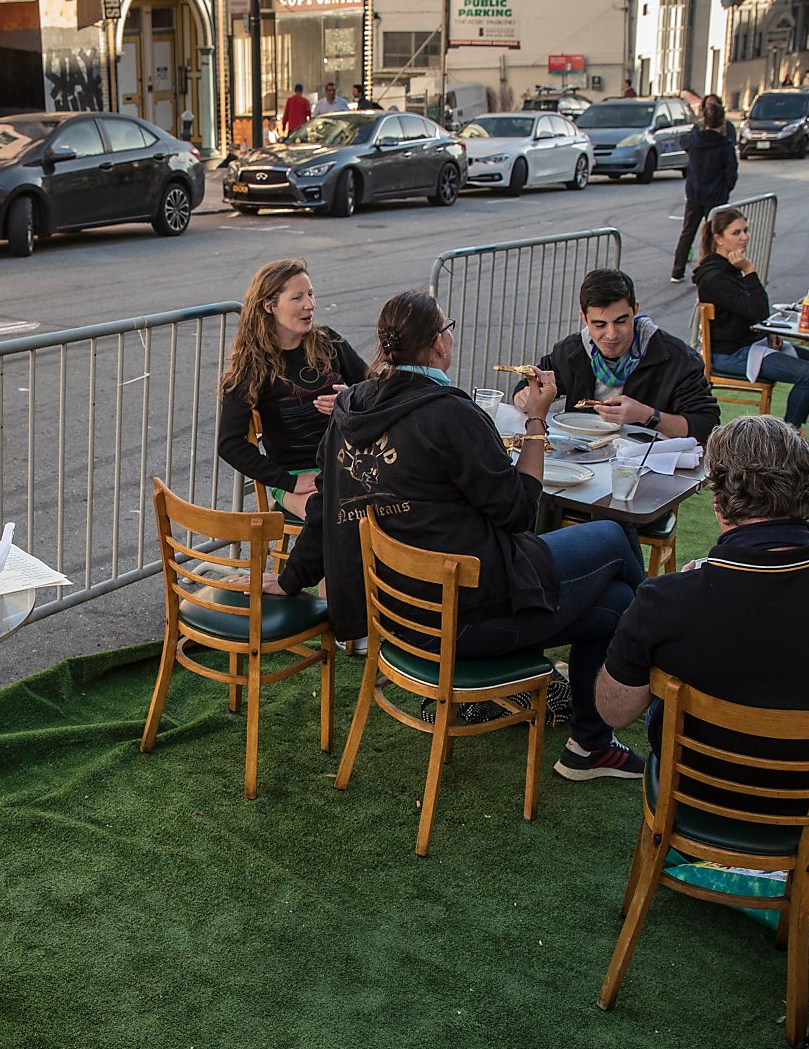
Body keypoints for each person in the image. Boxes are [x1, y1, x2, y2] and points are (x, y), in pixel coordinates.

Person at [268, 292, 649, 781]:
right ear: (439, 345)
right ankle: (660, 679)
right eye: (447, 327)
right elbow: (517, 511)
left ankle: (591, 745)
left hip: (396, 617)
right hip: (465, 620)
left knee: (617, 604)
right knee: (617, 534)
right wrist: (537, 418)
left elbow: (326, 506)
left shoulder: (351, 407)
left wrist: (292, 577)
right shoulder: (449, 413)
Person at [594, 414, 809, 790]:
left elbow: (613, 711)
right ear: (808, 495)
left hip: (693, 786)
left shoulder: (666, 600)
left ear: (719, 503)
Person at [216, 259, 371, 521]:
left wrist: (350, 398)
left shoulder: (329, 341)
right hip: (296, 476)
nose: (310, 305)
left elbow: (376, 388)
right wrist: (286, 481)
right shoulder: (253, 366)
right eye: (297, 297)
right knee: (336, 517)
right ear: (270, 306)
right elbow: (229, 444)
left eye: (310, 294)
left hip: (349, 463)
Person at [537, 269, 721, 443]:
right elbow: (532, 384)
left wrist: (647, 415)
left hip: (646, 464)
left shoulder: (676, 357)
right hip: (578, 453)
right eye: (599, 325)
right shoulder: (572, 350)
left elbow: (706, 426)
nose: (611, 334)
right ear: (584, 318)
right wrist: (525, 395)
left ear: (635, 310)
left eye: (621, 321)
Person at [692, 206, 809, 429]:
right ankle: (789, 435)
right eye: (736, 233)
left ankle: (795, 429)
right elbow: (758, 312)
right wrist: (749, 270)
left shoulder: (729, 267)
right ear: (718, 238)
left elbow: (752, 314)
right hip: (728, 353)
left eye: (745, 230)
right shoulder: (715, 276)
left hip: (750, 342)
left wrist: (768, 333)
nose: (744, 237)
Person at [671, 96, 739, 284]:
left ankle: (677, 270)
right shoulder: (725, 146)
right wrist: (726, 189)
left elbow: (684, 141)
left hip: (695, 193)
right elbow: (731, 173)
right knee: (713, 236)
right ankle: (708, 271)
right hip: (716, 195)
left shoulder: (695, 140)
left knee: (688, 232)